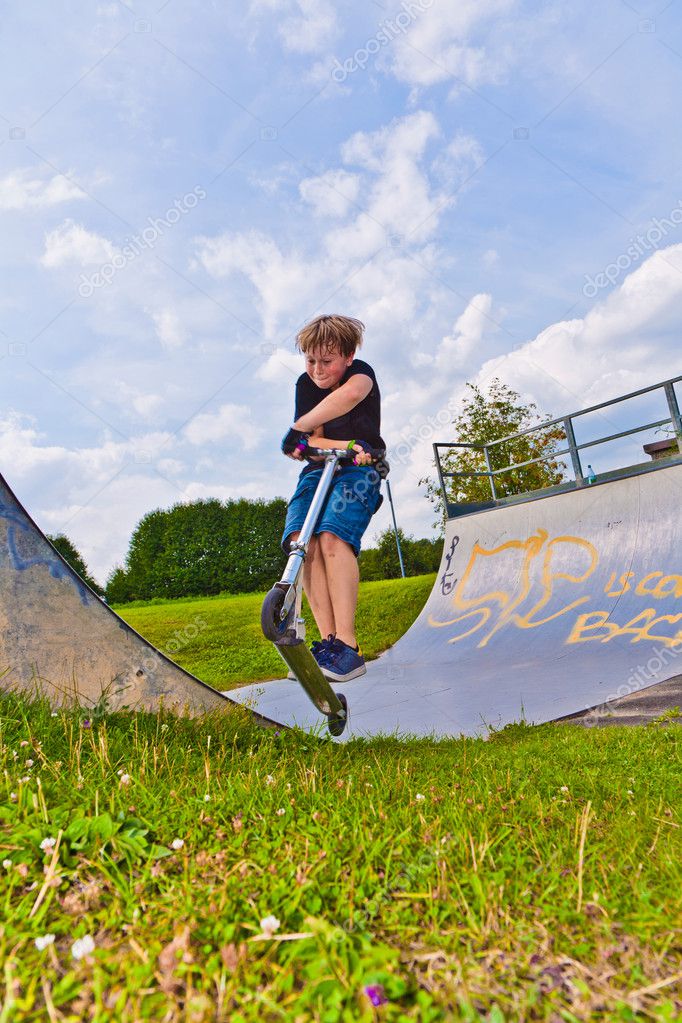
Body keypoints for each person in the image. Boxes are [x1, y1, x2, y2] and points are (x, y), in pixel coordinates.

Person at [280, 314, 387, 682]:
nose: (317, 370)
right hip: (319, 468)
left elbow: (348, 397)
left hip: (360, 471)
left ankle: (348, 645)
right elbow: (312, 441)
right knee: (302, 541)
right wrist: (343, 443)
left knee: (331, 536)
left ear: (348, 356)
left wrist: (299, 428)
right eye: (310, 360)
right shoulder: (306, 384)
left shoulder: (361, 373)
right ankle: (328, 645)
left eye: (326, 361)